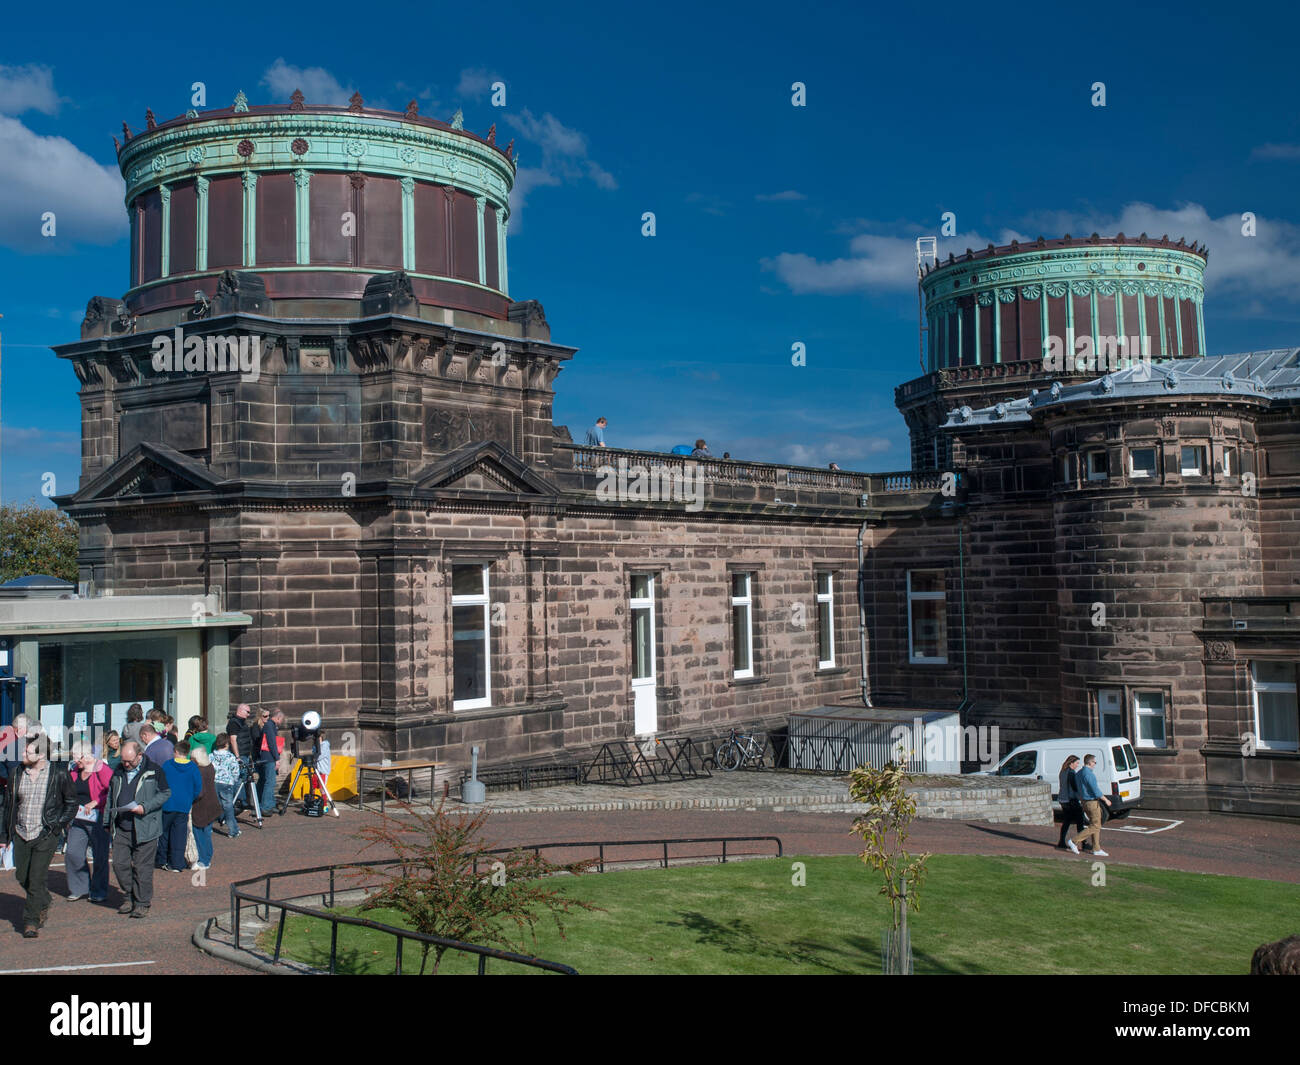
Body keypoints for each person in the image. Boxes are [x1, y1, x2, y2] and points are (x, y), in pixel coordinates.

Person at [3, 727, 78, 937]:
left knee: (36, 879)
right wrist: (5, 835)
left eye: (28, 752)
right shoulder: (17, 773)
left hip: (46, 832)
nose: (23, 755)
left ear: (42, 754)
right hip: (21, 832)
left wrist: (58, 824)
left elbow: (71, 803)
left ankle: (30, 921)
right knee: (22, 876)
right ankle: (43, 900)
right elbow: (9, 806)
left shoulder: (58, 773)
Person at [107, 740, 170, 918]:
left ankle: (142, 902)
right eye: (124, 761)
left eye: (130, 761)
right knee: (119, 864)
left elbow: (165, 793)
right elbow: (111, 797)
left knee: (142, 868)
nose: (126, 764)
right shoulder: (118, 770)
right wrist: (107, 822)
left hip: (145, 826)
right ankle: (129, 895)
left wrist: (145, 806)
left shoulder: (154, 770)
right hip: (122, 826)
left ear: (139, 755)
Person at [66, 741, 113, 903]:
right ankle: (80, 887)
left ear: (87, 756)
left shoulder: (102, 769)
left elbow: (114, 791)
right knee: (72, 852)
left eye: (77, 758)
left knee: (100, 855)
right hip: (78, 818)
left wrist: (96, 802)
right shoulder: (74, 771)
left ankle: (99, 890)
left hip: (97, 817)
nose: (75, 761)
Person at [156, 741, 202, 872]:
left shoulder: (167, 765)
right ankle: (176, 863)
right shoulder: (193, 767)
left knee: (164, 833)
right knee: (179, 835)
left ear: (176, 751)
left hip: (167, 804)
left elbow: (160, 783)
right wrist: (189, 798)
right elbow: (197, 787)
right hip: (183, 805)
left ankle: (162, 859)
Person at [1067, 753, 1111, 857]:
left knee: (1094, 825)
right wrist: (1106, 800)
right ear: (1090, 762)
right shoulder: (1089, 774)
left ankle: (1096, 848)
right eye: (1095, 762)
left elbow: (1077, 789)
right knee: (1095, 826)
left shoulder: (1079, 773)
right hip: (1092, 802)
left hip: (1084, 802)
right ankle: (1074, 841)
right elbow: (1095, 790)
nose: (1095, 764)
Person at [190, 747, 219, 870]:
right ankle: (207, 857)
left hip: (201, 806)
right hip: (212, 803)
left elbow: (199, 792)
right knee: (206, 833)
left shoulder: (199, 771)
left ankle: (204, 860)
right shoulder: (210, 767)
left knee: (199, 834)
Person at [211, 734, 241, 838]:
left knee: (214, 806)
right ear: (227, 744)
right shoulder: (230, 757)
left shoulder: (211, 756)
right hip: (227, 783)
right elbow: (235, 771)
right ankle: (233, 830)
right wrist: (234, 779)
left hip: (214, 782)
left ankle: (208, 828)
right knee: (228, 807)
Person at [1056, 755, 1087, 850]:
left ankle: (1061, 841)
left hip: (1062, 799)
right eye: (1077, 763)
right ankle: (1084, 844)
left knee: (1067, 821)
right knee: (1080, 821)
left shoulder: (1062, 771)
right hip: (1070, 800)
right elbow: (1074, 788)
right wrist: (1081, 797)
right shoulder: (1071, 772)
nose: (1078, 765)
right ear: (1071, 763)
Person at [255, 709, 282, 814]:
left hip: (269, 757)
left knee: (270, 781)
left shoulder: (271, 726)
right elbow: (272, 743)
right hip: (269, 757)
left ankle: (270, 804)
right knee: (269, 782)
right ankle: (266, 806)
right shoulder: (269, 726)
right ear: (278, 717)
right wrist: (277, 758)